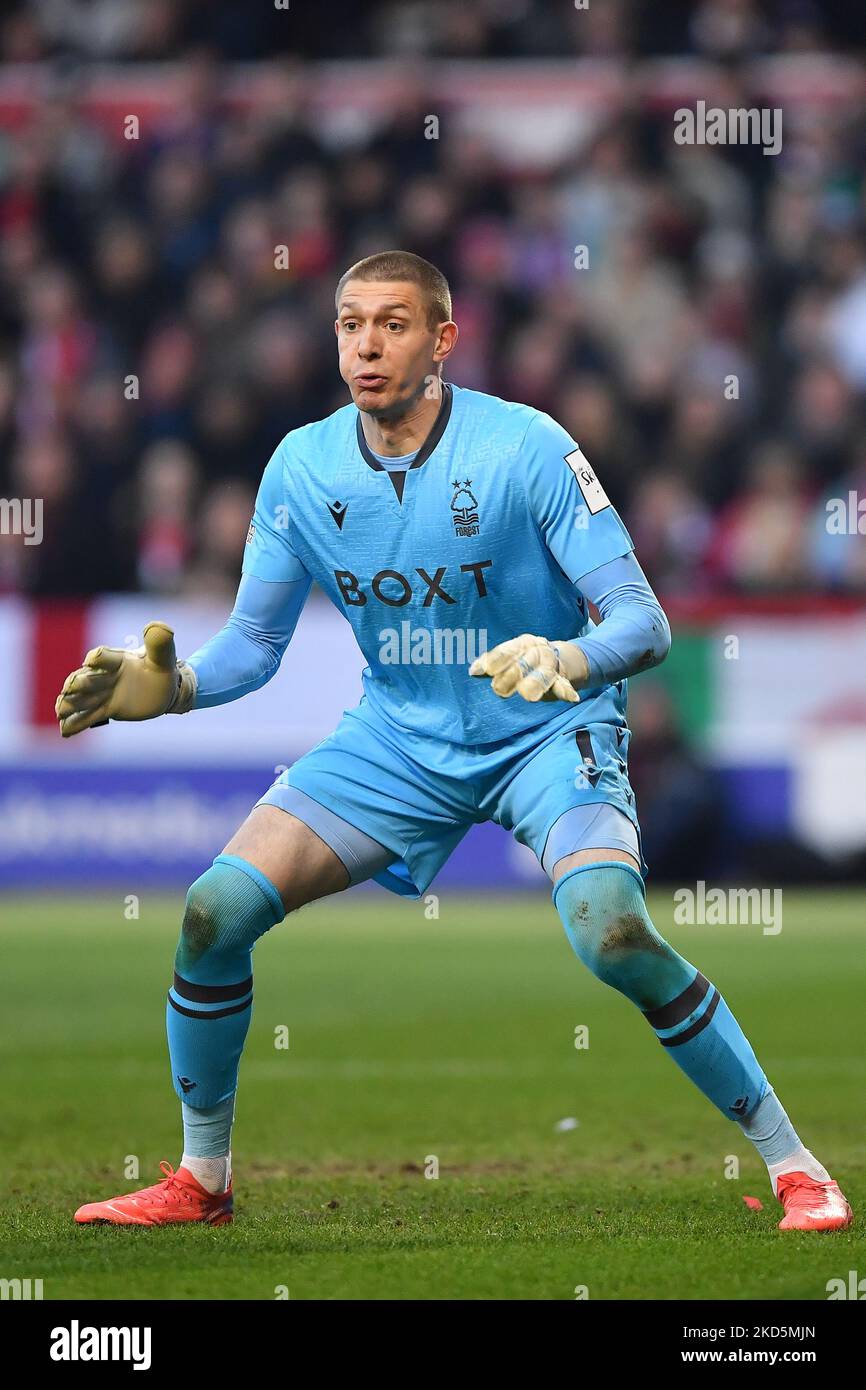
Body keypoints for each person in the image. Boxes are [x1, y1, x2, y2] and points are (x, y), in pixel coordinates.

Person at [57, 251, 851, 1233]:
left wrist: (568, 657)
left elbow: (640, 622)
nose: (365, 344)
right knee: (213, 913)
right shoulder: (302, 468)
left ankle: (794, 1164)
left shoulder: (528, 448)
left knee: (612, 933)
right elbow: (255, 647)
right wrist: (173, 688)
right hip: (397, 736)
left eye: (391, 324)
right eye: (350, 323)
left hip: (545, 728)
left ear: (441, 340)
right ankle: (202, 1178)